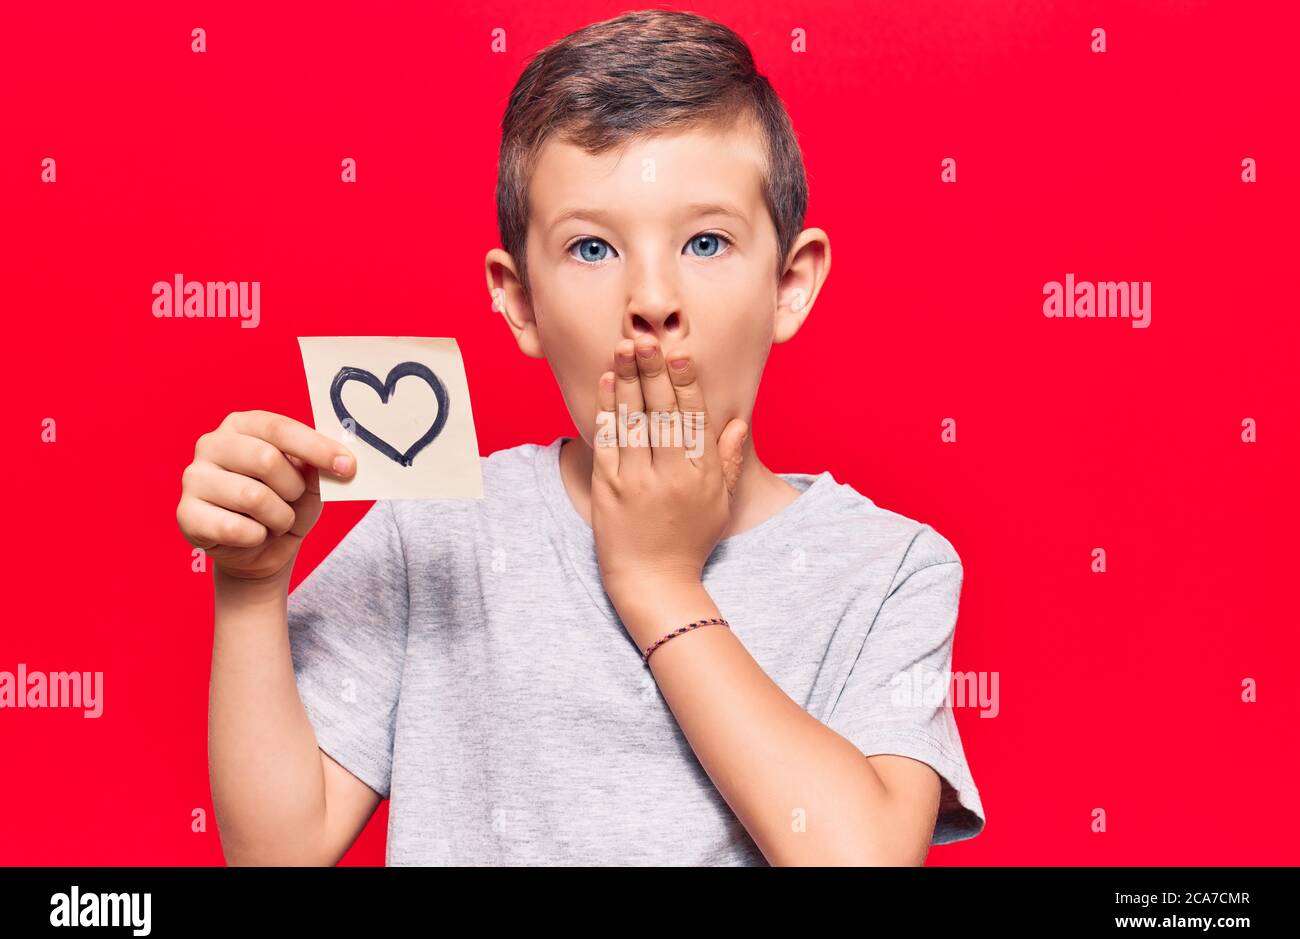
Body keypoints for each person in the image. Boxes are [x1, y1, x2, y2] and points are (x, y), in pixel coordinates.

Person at [176, 8, 985, 866]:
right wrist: (252, 590)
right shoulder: (440, 535)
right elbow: (275, 852)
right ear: (520, 301)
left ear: (789, 284)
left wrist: (657, 582)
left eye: (706, 241)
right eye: (592, 248)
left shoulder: (890, 568)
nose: (651, 299)